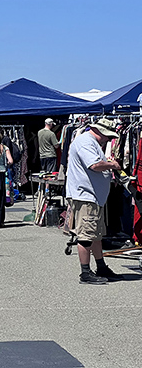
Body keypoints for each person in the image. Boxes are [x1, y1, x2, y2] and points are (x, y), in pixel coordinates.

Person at [65, 119, 122, 284]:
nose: (108, 140)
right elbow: (95, 165)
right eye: (107, 136)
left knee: (95, 234)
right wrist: (113, 165)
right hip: (86, 196)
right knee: (86, 236)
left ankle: (101, 267)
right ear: (100, 131)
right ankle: (85, 272)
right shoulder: (85, 142)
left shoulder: (89, 142)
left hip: (93, 197)